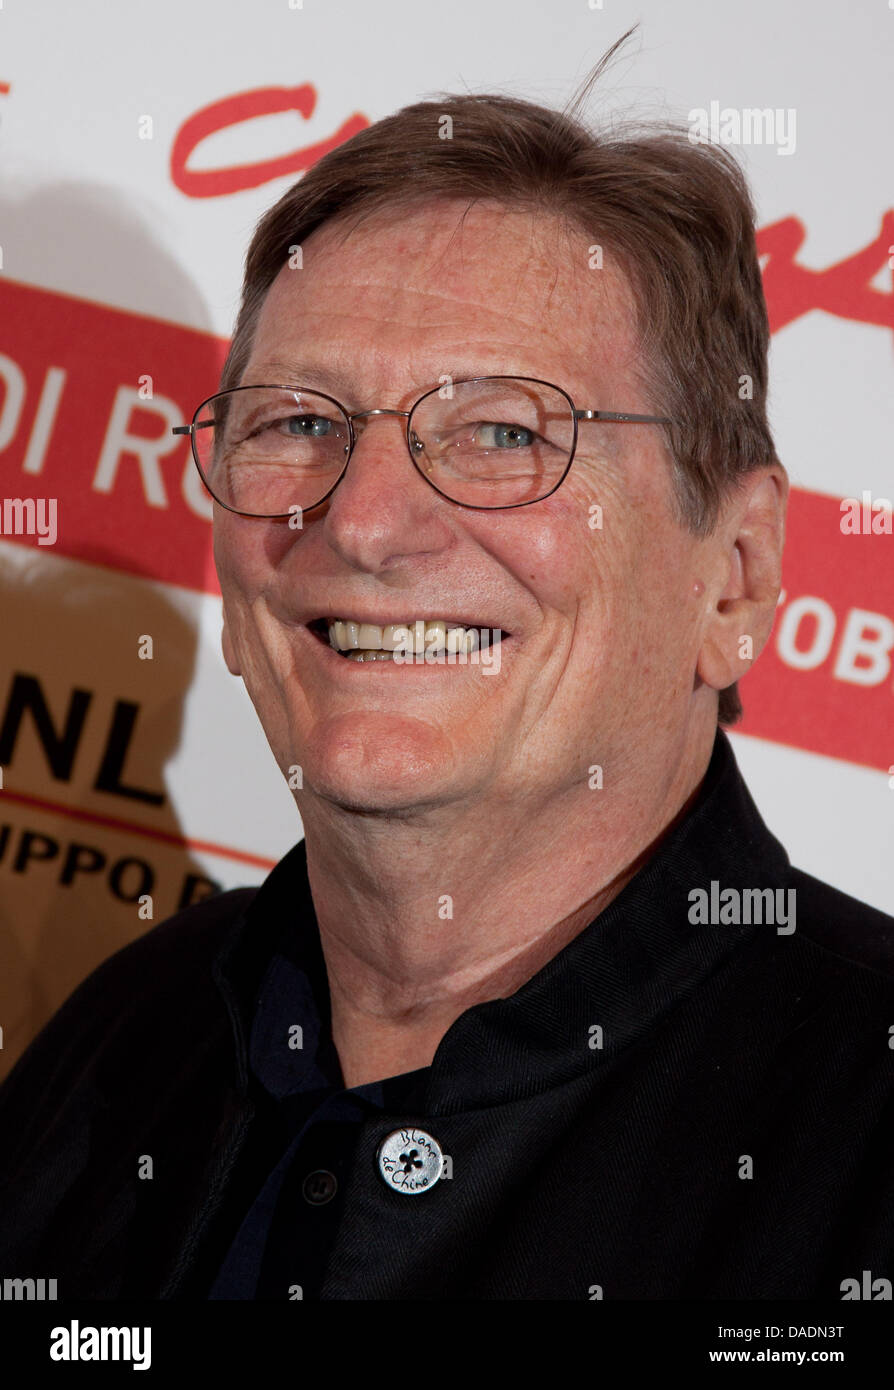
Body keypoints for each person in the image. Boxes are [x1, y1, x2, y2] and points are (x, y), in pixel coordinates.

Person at [1, 41, 892, 1302]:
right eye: (299, 422)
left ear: (735, 574)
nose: (363, 522)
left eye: (502, 432)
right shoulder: (114, 1043)